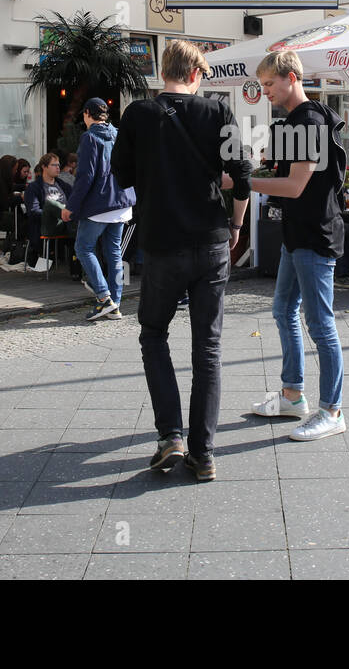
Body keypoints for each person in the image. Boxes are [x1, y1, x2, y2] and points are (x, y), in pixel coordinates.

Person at [112, 39, 251, 481]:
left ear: (164, 71)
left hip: (161, 242)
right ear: (195, 73)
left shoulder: (137, 113)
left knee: (153, 333)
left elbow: (122, 176)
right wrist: (234, 226)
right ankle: (203, 453)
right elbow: (243, 177)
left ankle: (170, 435)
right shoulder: (217, 112)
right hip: (211, 240)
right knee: (207, 347)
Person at [246, 49, 348, 443]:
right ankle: (292, 395)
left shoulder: (306, 119)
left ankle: (332, 411)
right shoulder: (306, 117)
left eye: (269, 84)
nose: (265, 91)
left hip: (313, 235)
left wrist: (240, 182)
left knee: (320, 325)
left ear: (291, 77)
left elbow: (293, 186)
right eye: (262, 85)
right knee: (284, 310)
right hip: (301, 233)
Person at [64, 98, 136, 320]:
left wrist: (71, 207)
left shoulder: (90, 138)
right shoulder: (119, 133)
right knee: (113, 253)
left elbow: (85, 177)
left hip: (100, 203)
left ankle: (105, 298)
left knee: (84, 247)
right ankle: (115, 303)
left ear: (87, 114)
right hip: (123, 202)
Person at [24, 152, 68, 269]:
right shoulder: (34, 187)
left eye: (58, 165)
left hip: (65, 223)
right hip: (45, 224)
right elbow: (33, 211)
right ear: (44, 167)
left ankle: (79, 266)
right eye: (54, 165)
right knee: (51, 205)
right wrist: (53, 214)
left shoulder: (63, 185)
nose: (58, 168)